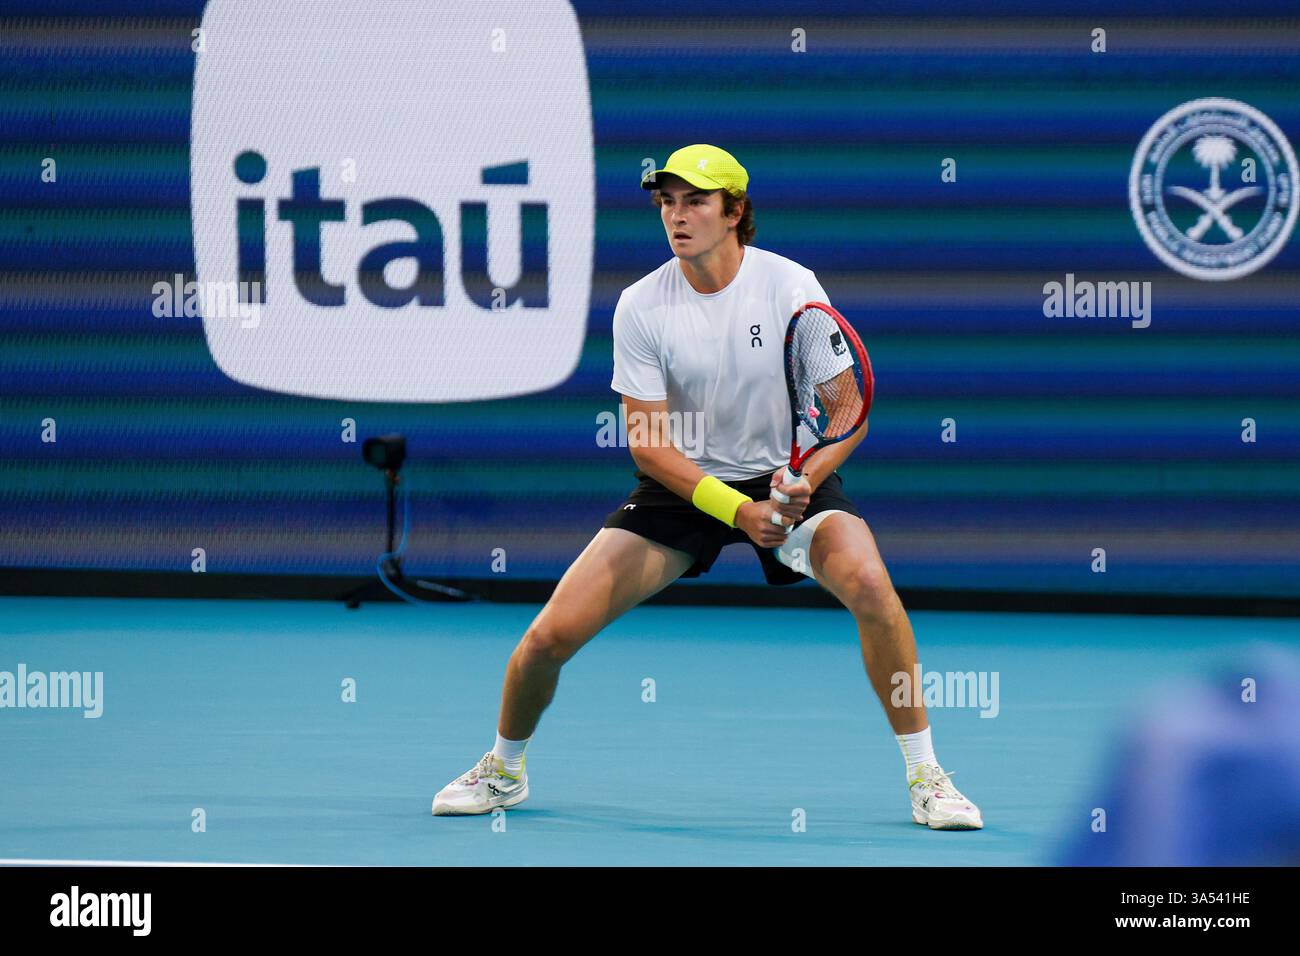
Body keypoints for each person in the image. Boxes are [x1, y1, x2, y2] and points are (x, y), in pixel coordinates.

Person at [433, 144, 983, 830]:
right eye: (666, 201)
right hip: (686, 484)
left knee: (873, 588)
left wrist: (801, 483)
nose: (676, 214)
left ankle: (927, 773)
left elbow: (847, 413)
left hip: (783, 475)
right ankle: (503, 769)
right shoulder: (641, 305)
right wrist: (739, 510)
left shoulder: (790, 287)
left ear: (735, 211)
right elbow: (649, 444)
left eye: (694, 200)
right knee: (548, 637)